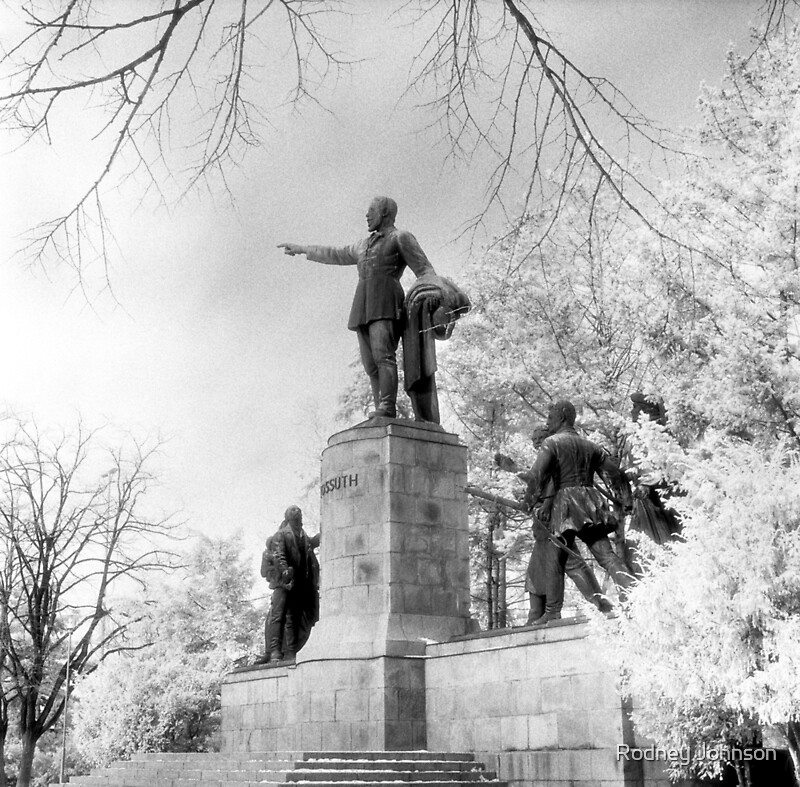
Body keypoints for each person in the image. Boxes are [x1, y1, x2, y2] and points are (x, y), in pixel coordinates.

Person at [278, 196, 440, 419]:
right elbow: (335, 253)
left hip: (385, 301)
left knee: (384, 355)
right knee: (370, 364)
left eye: (371, 210)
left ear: (384, 213)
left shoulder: (400, 237)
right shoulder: (363, 245)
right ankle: (380, 408)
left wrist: (431, 292)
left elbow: (425, 269)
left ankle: (387, 406)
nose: (367, 215)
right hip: (363, 303)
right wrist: (303, 249)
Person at [524, 400, 633, 624]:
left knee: (554, 558)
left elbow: (536, 476)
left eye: (551, 415)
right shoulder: (590, 446)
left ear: (563, 416)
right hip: (590, 501)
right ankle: (636, 597)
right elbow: (615, 473)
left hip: (564, 505)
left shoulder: (551, 443)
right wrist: (625, 499)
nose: (548, 420)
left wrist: (528, 501)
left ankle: (553, 610)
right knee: (607, 556)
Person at [258, 505, 320, 664]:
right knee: (278, 616)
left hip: (298, 583)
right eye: (296, 518)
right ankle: (274, 652)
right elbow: (280, 555)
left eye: (300, 518)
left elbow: (309, 545)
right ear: (289, 519)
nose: (300, 521)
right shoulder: (281, 534)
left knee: (293, 616)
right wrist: (285, 571)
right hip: (283, 583)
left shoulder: (302, 535)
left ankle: (291, 651)